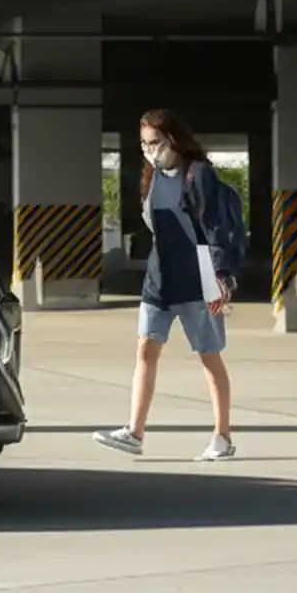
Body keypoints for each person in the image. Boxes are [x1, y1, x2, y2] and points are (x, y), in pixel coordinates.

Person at [94, 109, 238, 461]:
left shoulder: (198, 174)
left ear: (174, 138)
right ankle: (134, 432)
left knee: (208, 356)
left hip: (196, 279)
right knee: (145, 350)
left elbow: (215, 227)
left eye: (155, 142)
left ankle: (223, 437)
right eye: (144, 144)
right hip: (158, 280)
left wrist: (220, 276)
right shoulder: (152, 176)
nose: (150, 150)